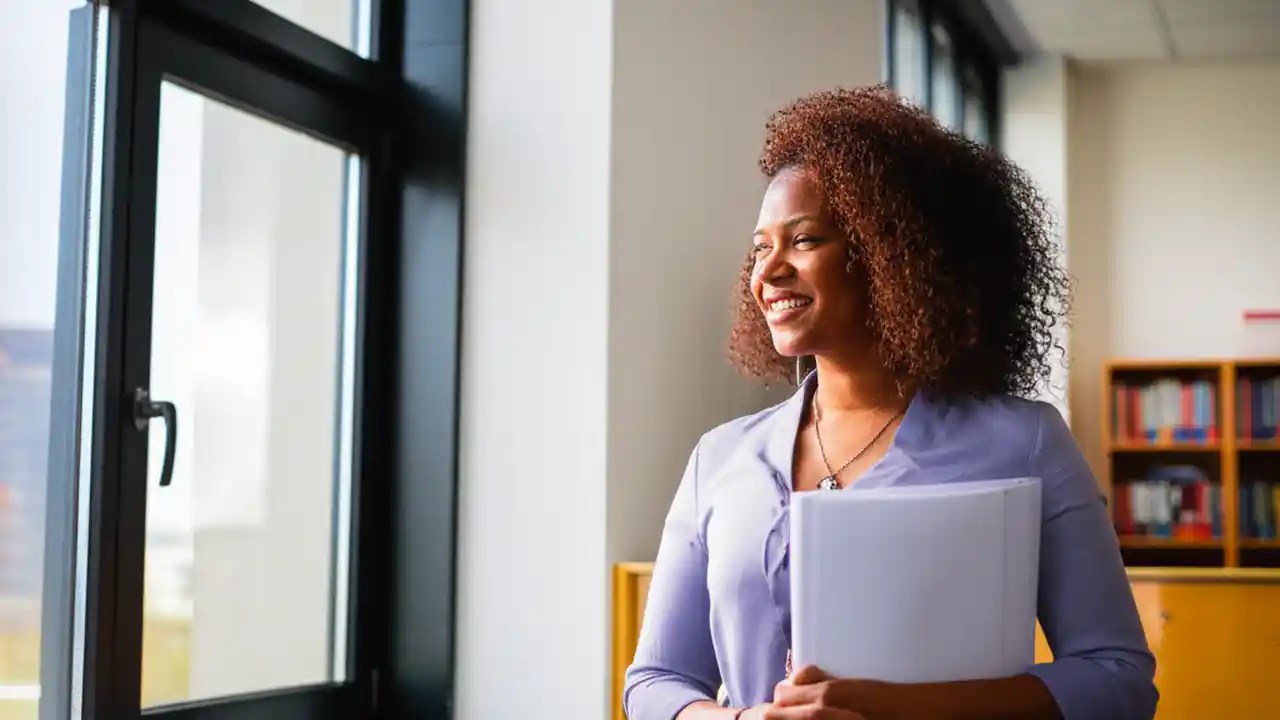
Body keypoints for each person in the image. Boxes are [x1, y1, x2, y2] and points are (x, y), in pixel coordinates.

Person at [622, 86, 1157, 720]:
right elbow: (654, 682)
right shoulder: (720, 457)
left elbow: (1117, 679)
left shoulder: (1025, 443)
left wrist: (901, 709)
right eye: (761, 248)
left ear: (887, 254)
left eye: (804, 241)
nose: (767, 273)